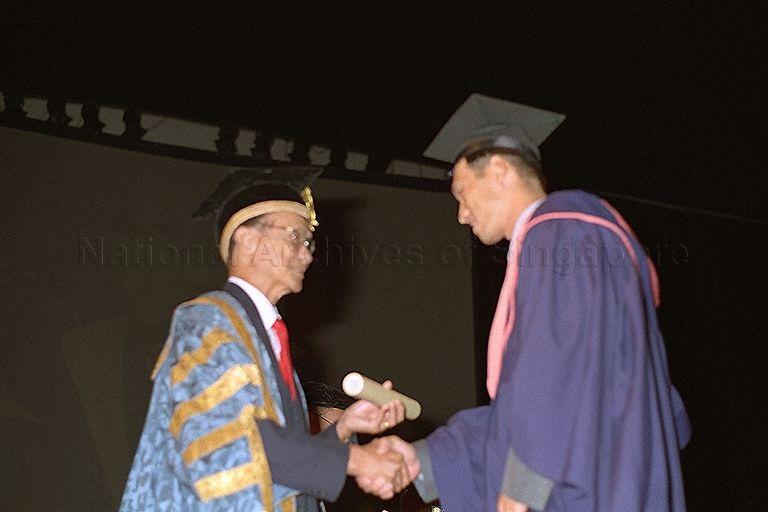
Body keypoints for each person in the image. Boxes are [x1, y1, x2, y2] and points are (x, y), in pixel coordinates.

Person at [393, 94, 691, 511]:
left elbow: (553, 370)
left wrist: (524, 485)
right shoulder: (560, 246)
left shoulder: (563, 229)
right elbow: (534, 399)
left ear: (498, 170)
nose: (461, 215)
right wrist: (424, 459)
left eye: (462, 193)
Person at [119, 166, 410, 512]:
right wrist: (358, 460)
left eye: (309, 241)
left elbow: (278, 467)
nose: (308, 253)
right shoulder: (206, 324)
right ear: (247, 239)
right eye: (294, 236)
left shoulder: (264, 335)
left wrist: (342, 428)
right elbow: (231, 442)